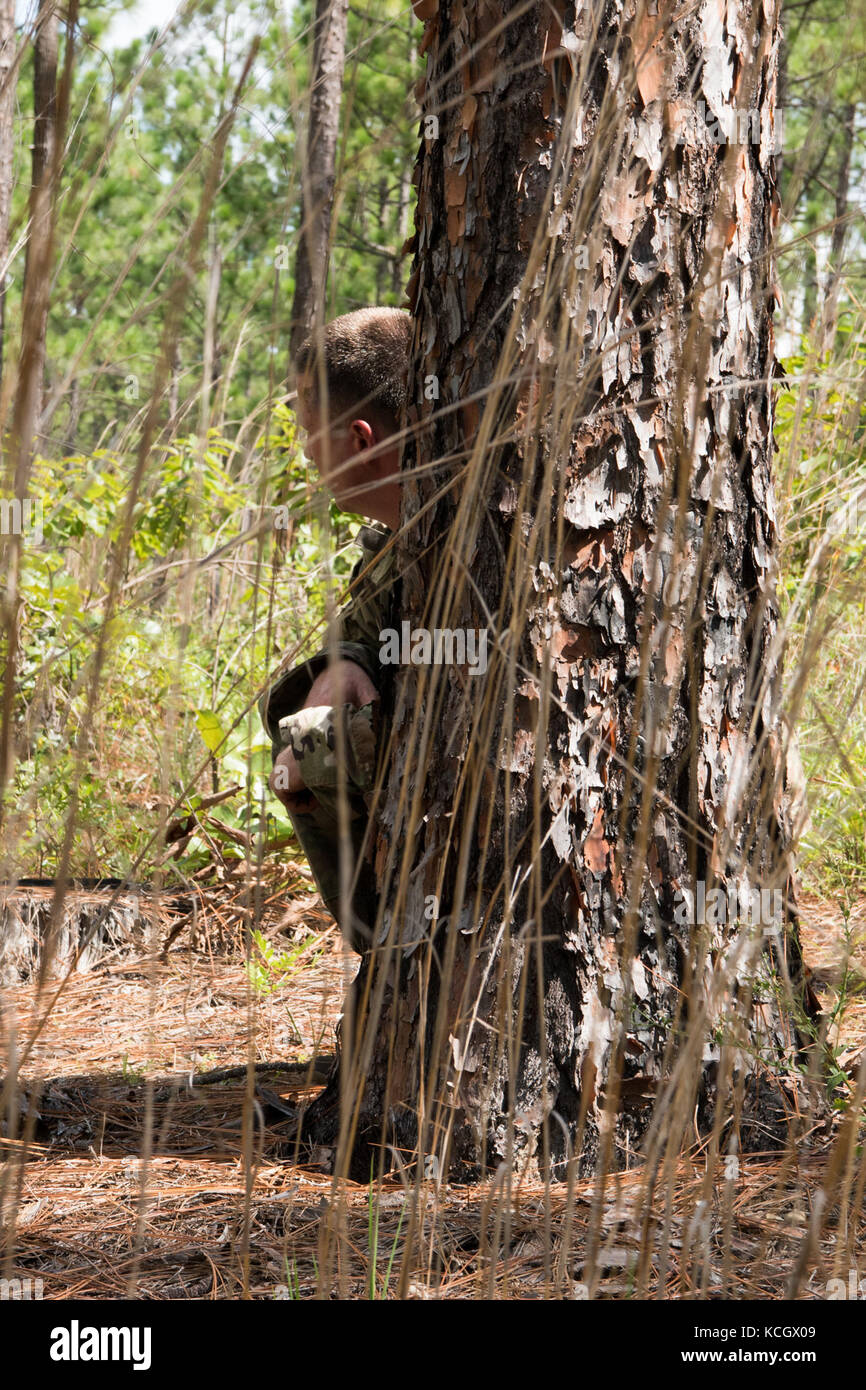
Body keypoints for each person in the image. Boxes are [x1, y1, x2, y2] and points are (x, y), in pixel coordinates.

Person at [260, 307, 411, 953]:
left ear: (358, 439)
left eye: (306, 432)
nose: (302, 452)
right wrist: (341, 660)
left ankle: (386, 946)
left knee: (310, 740)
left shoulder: (472, 536)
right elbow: (364, 619)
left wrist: (311, 748)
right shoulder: (388, 545)